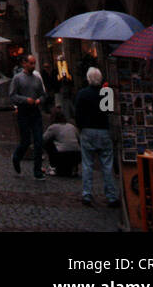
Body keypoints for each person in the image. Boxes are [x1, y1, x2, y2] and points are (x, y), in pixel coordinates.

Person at [74, 67, 120, 207]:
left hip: (87, 130)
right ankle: (111, 196)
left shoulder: (82, 94)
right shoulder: (106, 93)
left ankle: (87, 194)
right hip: (103, 130)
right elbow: (110, 112)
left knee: (87, 164)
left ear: (88, 79)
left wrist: (81, 127)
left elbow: (78, 114)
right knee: (107, 164)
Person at [9, 53, 47, 180]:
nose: (33, 65)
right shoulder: (18, 78)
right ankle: (17, 157)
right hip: (23, 112)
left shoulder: (37, 79)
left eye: (34, 63)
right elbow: (12, 96)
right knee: (25, 141)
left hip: (35, 112)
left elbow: (43, 94)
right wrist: (26, 100)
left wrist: (39, 100)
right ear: (24, 64)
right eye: (31, 63)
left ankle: (37, 170)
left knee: (38, 141)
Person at [42, 108, 82, 178]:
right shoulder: (71, 126)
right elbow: (79, 140)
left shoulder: (53, 127)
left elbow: (43, 139)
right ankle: (74, 167)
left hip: (62, 155)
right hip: (77, 155)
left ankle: (53, 167)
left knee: (48, 143)